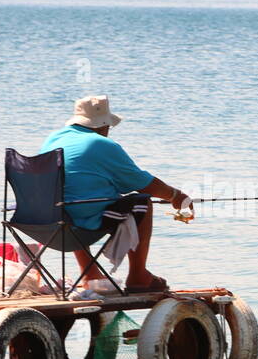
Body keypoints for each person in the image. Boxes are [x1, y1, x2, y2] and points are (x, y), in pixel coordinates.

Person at [38, 95, 190, 292]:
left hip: (45, 219)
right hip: (79, 223)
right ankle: (138, 276)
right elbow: (144, 184)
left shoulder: (53, 139)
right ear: (104, 126)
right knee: (142, 202)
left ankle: (90, 273)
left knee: (69, 204)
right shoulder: (101, 144)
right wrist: (176, 196)